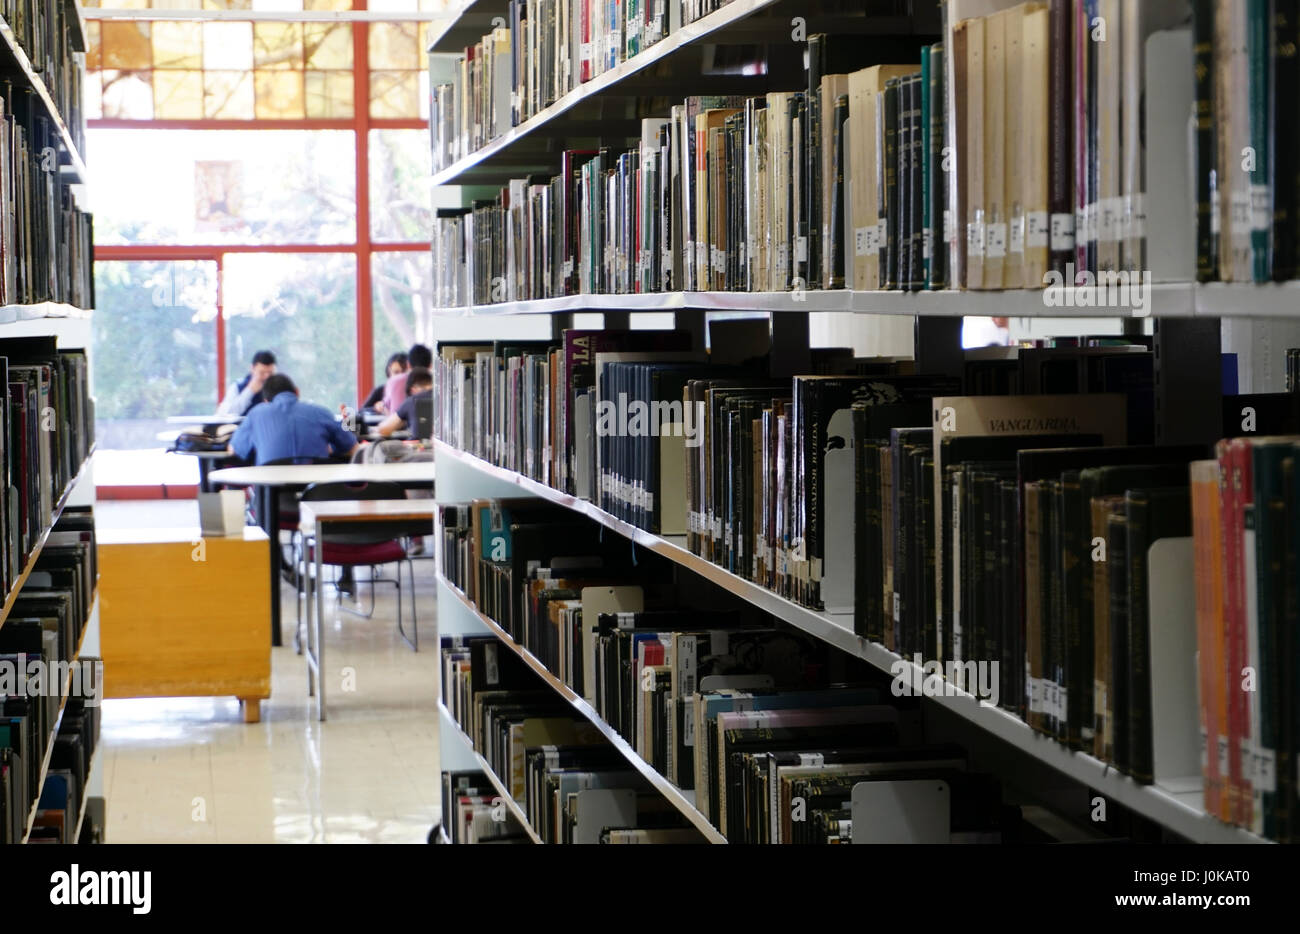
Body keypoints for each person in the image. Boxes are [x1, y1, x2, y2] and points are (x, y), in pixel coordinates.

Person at [228, 374, 361, 466]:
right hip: (314, 495)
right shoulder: (321, 412)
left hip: (272, 497)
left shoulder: (256, 413)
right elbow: (353, 447)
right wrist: (330, 448)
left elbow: (233, 449)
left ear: (266, 401)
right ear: (297, 392)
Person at [376, 368, 432, 438]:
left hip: (421, 447)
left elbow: (383, 429)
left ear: (412, 390)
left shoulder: (411, 401)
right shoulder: (444, 399)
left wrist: (402, 421)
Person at [218, 350, 277, 416]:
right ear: (252, 369)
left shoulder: (280, 388)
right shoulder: (237, 386)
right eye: (262, 373)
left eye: (270, 373)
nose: (267, 377)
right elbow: (223, 414)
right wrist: (249, 391)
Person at [382, 343, 431, 415]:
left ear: (408, 365)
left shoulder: (394, 381)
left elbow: (388, 410)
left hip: (397, 424)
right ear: (430, 365)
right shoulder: (437, 384)